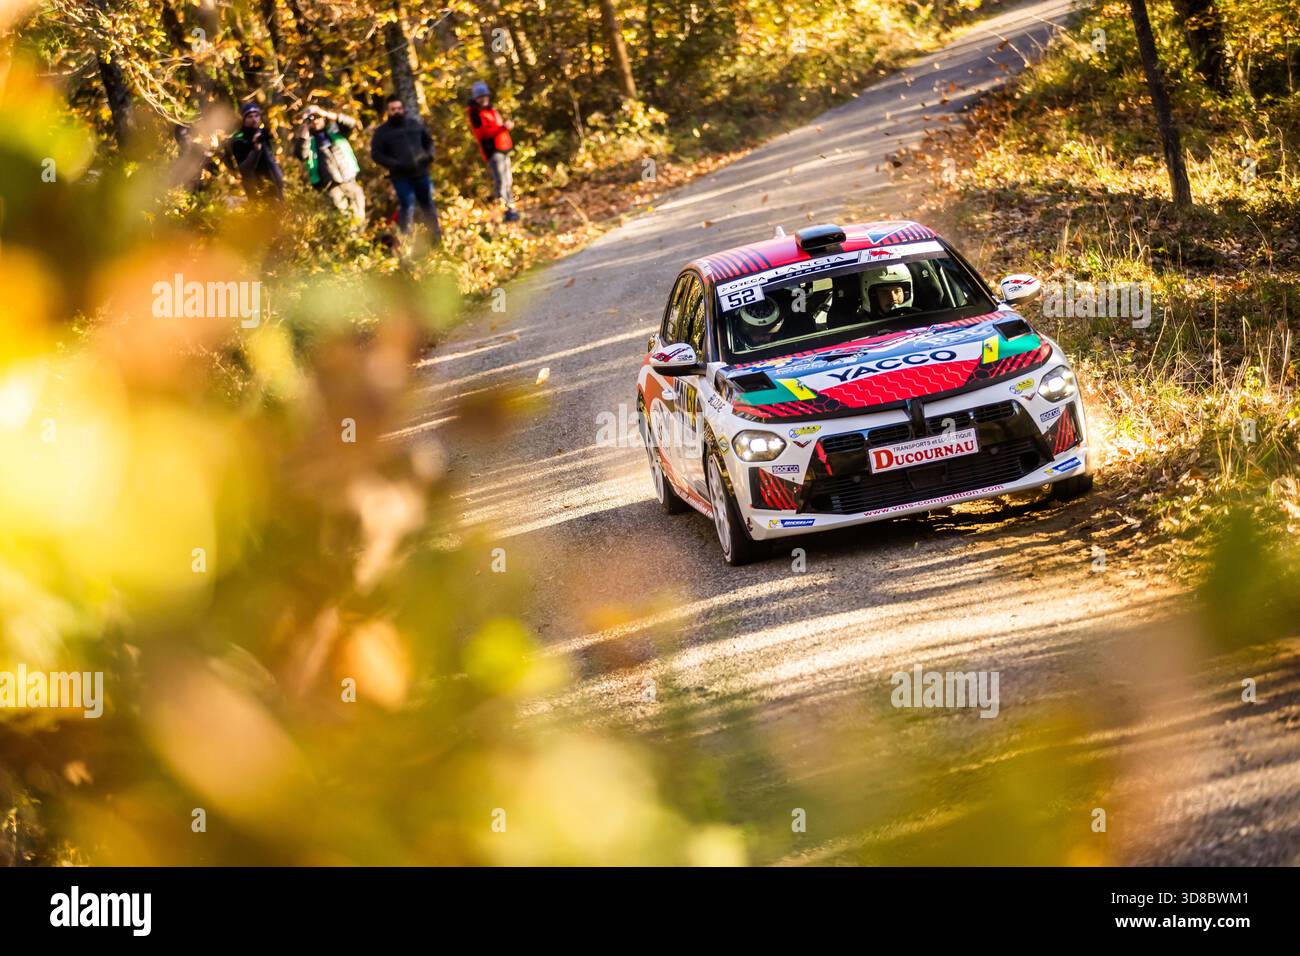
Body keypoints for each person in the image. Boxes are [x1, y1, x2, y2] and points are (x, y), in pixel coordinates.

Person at [369, 95, 441, 245]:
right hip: (401, 177)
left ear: (403, 109)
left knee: (428, 205)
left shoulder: (414, 124)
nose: (397, 111)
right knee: (407, 207)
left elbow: (428, 141)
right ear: (388, 111)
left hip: (421, 174)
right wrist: (394, 164)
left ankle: (436, 239)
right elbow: (376, 154)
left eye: (399, 108)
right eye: (393, 109)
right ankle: (405, 241)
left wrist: (429, 156)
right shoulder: (382, 132)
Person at [296, 105, 366, 228]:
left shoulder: (335, 131)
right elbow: (301, 154)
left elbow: (352, 123)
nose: (315, 121)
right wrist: (305, 125)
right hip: (330, 186)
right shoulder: (308, 139)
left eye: (318, 117)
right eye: (311, 119)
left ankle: (360, 242)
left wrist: (325, 113)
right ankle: (349, 243)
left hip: (349, 179)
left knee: (359, 216)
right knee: (343, 221)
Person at [464, 80, 519, 223]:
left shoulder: (491, 110)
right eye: (480, 97)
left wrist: (504, 128)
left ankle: (511, 208)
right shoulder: (475, 113)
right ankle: (506, 210)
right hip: (493, 151)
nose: (484, 99)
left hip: (503, 149)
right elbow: (483, 133)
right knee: (501, 181)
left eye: (485, 96)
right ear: (476, 98)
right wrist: (503, 128)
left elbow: (497, 127)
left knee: (508, 180)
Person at [226, 103, 285, 202]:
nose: (254, 120)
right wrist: (255, 150)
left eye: (257, 115)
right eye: (250, 117)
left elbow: (272, 160)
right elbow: (244, 169)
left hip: (274, 186)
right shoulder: (239, 140)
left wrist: (279, 179)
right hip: (256, 190)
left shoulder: (264, 133)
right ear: (244, 119)